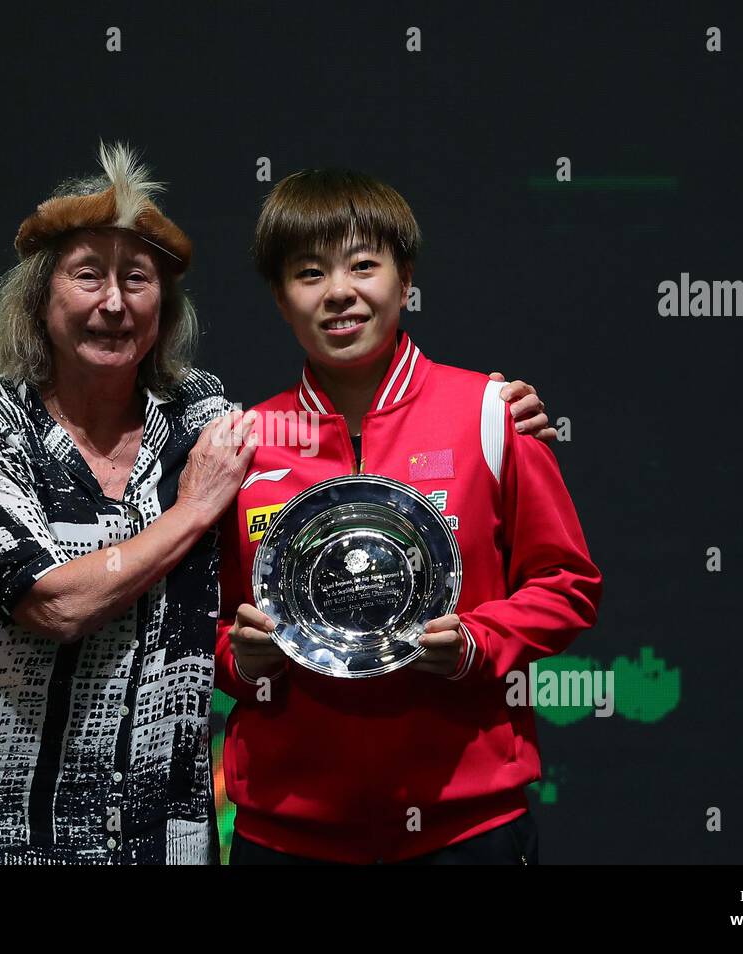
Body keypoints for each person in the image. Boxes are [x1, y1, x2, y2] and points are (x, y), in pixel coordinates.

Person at [0, 142, 553, 864]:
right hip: (7, 810)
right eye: (88, 275)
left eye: (138, 278)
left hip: (165, 823)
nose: (114, 302)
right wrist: (193, 520)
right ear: (38, 297)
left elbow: (225, 619)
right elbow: (54, 605)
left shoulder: (205, 424)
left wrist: (493, 411)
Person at [217, 168, 603, 864]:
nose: (340, 292)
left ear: (405, 278)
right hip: (288, 829)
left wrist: (476, 646)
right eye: (309, 273)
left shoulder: (490, 414)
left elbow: (567, 585)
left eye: (364, 265)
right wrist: (239, 660)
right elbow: (199, 629)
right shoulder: (242, 444)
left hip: (467, 824)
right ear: (280, 298)